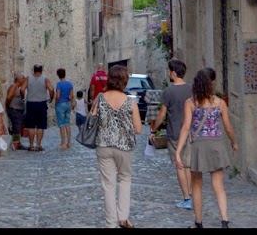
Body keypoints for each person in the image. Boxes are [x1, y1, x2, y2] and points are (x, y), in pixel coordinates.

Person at [175, 67, 237, 229]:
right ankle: (224, 221)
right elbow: (228, 127)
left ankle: (198, 222)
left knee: (196, 186)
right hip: (216, 144)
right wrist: (233, 142)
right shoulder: (220, 103)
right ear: (212, 83)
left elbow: (186, 127)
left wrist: (178, 150)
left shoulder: (190, 103)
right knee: (219, 186)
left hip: (198, 147)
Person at [90, 64, 143, 229]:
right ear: (124, 81)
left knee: (108, 184)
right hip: (124, 146)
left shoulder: (100, 98)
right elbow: (139, 129)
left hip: (103, 146)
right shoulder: (130, 102)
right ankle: (123, 218)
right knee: (125, 179)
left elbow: (92, 120)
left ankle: (110, 223)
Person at [151, 58, 194, 209]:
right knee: (188, 166)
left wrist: (154, 129)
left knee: (179, 166)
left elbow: (162, 115)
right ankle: (192, 196)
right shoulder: (191, 89)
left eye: (170, 71)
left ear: (174, 73)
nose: (169, 73)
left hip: (175, 132)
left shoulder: (168, 92)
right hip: (190, 133)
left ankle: (187, 198)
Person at [23, 64, 51, 151]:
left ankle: (31, 145)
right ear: (41, 70)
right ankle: (38, 145)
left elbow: (22, 89)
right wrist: (51, 98)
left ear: (33, 70)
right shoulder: (45, 79)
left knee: (31, 125)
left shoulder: (28, 78)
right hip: (41, 103)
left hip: (31, 103)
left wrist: (22, 97)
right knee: (40, 126)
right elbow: (52, 89)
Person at [54, 68, 75, 149]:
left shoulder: (59, 84)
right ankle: (69, 142)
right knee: (67, 124)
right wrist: (71, 104)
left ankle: (63, 143)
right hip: (68, 104)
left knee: (61, 125)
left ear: (58, 75)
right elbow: (71, 95)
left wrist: (56, 103)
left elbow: (58, 96)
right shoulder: (70, 84)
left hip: (61, 104)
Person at [5, 74, 27, 149]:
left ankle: (18, 143)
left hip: (18, 110)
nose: (24, 79)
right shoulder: (14, 87)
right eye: (23, 78)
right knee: (16, 128)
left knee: (18, 127)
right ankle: (15, 144)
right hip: (14, 110)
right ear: (19, 80)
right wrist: (7, 107)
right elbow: (8, 98)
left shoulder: (18, 88)